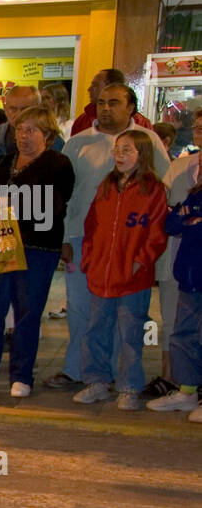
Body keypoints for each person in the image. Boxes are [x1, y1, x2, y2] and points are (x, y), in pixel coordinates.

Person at [46, 84, 171, 390]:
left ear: (131, 107)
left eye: (114, 102)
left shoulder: (149, 141)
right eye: (101, 102)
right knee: (81, 311)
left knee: (124, 320)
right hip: (83, 242)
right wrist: (64, 238)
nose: (105, 108)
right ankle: (80, 372)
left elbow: (163, 192)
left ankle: (119, 379)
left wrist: (143, 257)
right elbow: (63, 195)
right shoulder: (78, 143)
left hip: (130, 249)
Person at [0, 106, 74, 398]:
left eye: (31, 130)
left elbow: (51, 204)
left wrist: (4, 205)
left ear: (47, 134)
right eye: (19, 129)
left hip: (36, 248)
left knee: (27, 313)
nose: (23, 135)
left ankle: (21, 375)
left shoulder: (58, 164)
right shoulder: (0, 163)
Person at [70, 130, 169, 410]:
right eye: (118, 150)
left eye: (127, 150)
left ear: (142, 155)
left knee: (130, 334)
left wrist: (139, 262)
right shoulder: (106, 186)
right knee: (95, 330)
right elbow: (92, 226)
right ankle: (98, 381)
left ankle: (130, 387)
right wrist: (90, 258)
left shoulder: (153, 190)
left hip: (133, 279)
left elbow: (157, 234)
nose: (120, 156)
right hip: (101, 274)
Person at [147, 180, 202, 421]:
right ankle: (187, 392)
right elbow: (171, 224)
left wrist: (190, 222)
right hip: (189, 279)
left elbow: (185, 223)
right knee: (183, 335)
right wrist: (189, 220)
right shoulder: (196, 196)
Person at [69, 69, 153, 136]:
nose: (89, 89)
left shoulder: (140, 122)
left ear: (111, 87)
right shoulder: (82, 121)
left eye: (95, 85)